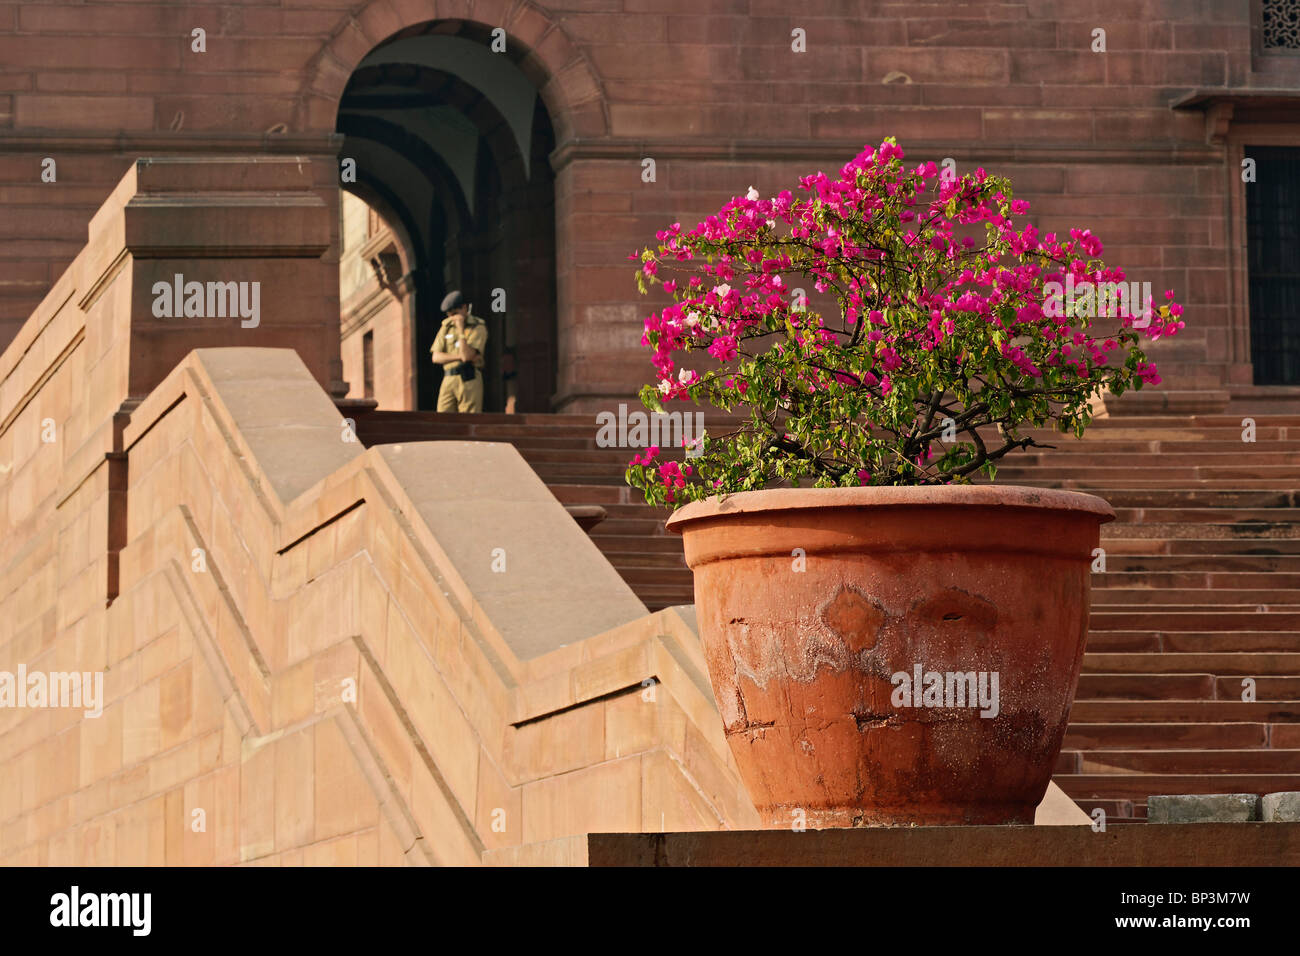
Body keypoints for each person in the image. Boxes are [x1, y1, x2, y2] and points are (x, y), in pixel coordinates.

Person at [431, 290, 487, 413]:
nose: (453, 318)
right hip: (449, 378)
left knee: (468, 420)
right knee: (442, 420)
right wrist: (458, 356)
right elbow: (436, 357)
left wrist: (461, 330)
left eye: (455, 313)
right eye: (450, 315)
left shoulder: (477, 326)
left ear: (464, 308)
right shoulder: (446, 327)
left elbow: (467, 356)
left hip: (468, 377)